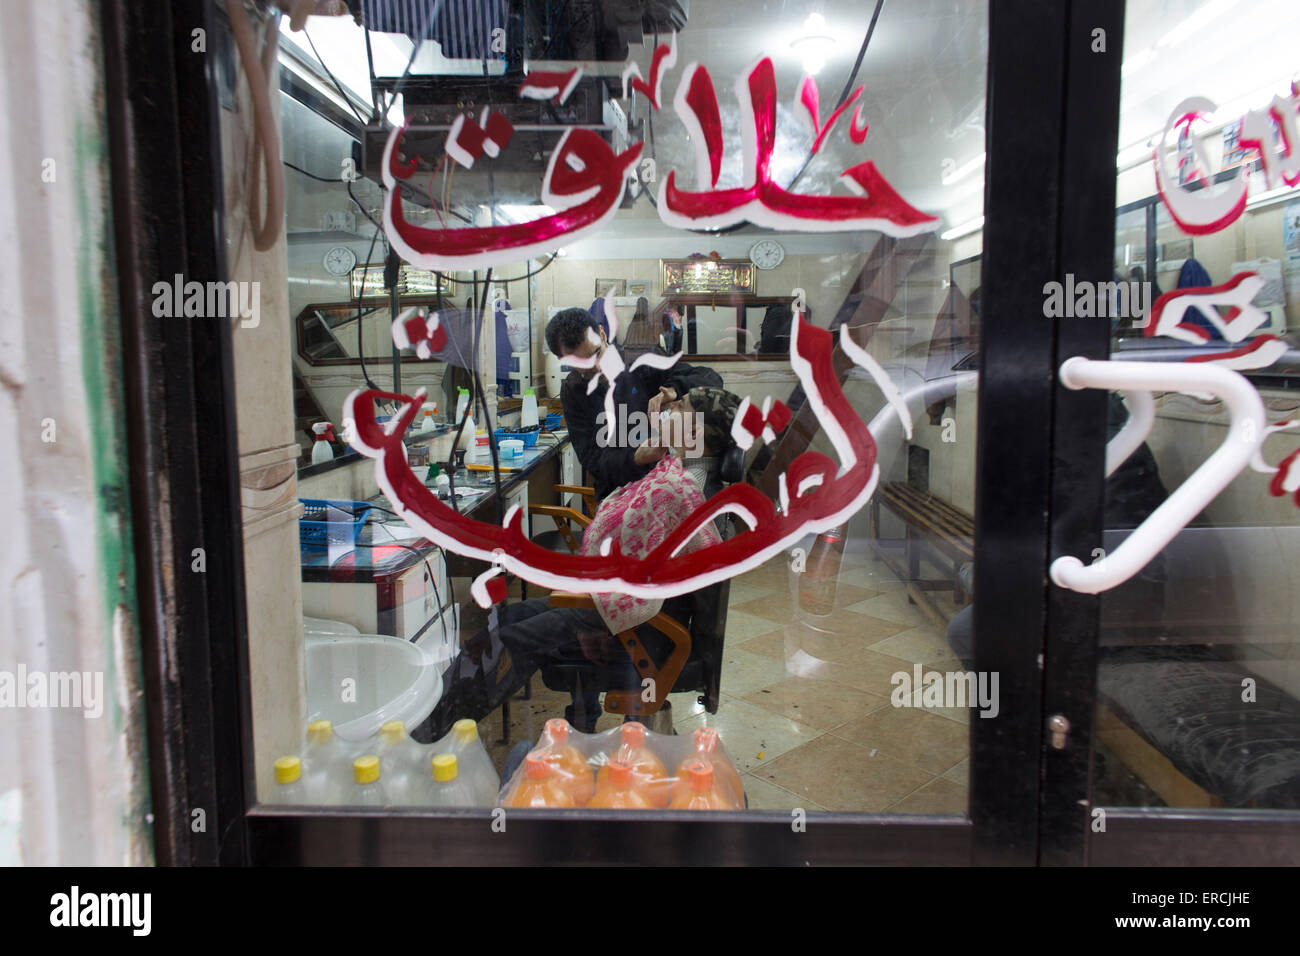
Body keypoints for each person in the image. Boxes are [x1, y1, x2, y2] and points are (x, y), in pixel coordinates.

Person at [545, 306, 722, 502]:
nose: (596, 366)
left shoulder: (640, 360)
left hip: (665, 482)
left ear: (602, 334)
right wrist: (636, 457)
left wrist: (673, 390)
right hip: (617, 493)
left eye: (596, 352)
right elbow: (592, 458)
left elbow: (710, 378)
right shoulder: (573, 390)